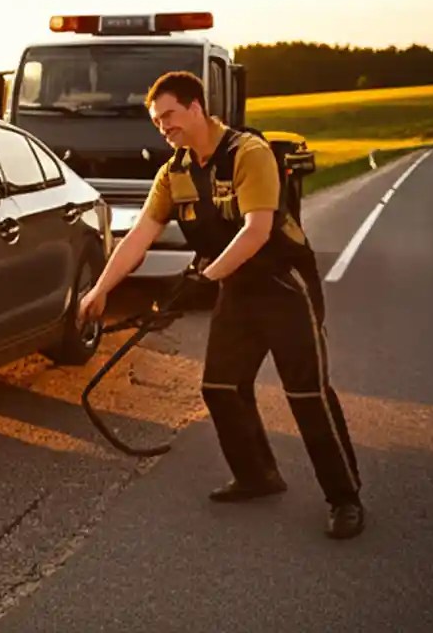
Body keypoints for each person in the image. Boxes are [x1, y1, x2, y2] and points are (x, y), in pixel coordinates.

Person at [77, 71, 365, 539]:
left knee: (307, 393)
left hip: (284, 285)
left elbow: (256, 230)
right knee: (221, 386)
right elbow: (140, 238)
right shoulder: (175, 173)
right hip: (238, 289)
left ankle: (345, 497)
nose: (163, 126)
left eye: (168, 115)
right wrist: (101, 289)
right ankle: (258, 475)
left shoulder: (248, 154)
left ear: (195, 107)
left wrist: (204, 279)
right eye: (156, 121)